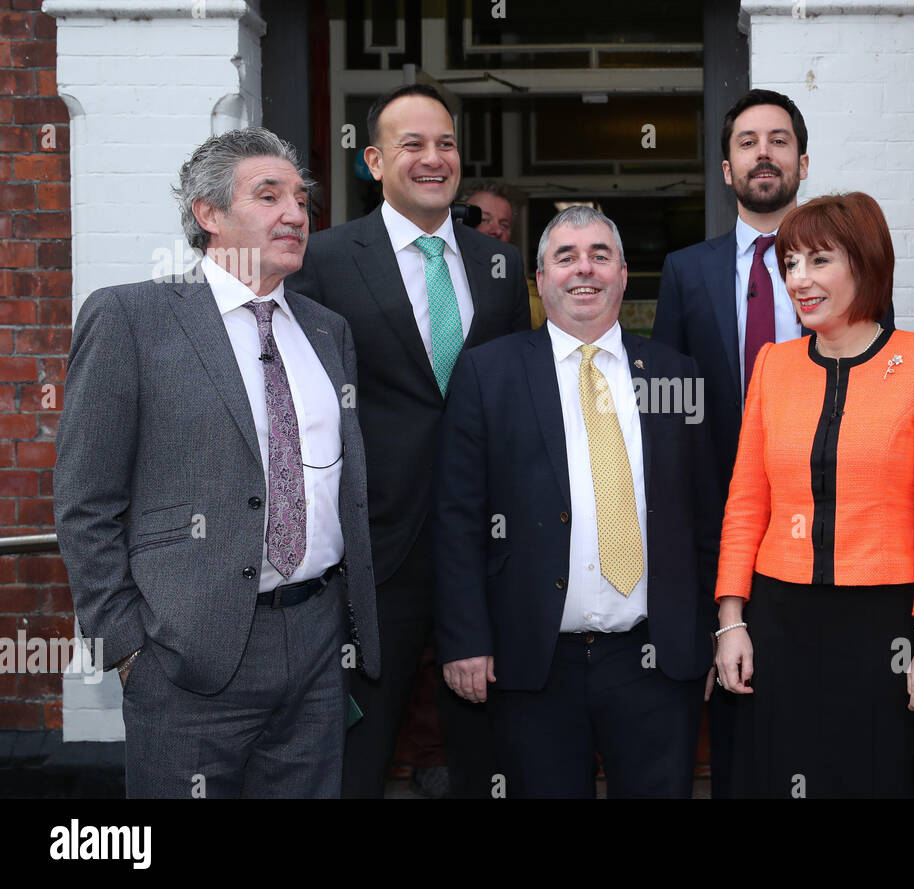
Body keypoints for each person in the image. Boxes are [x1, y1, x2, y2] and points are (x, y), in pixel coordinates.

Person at [54, 127, 379, 798]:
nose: (296, 214)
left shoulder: (327, 330)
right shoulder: (131, 319)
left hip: (317, 644)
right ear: (209, 215)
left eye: (302, 198)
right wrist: (129, 647)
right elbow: (87, 500)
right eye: (269, 196)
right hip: (187, 655)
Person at [288, 84, 530, 798]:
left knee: (484, 755)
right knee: (356, 757)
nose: (434, 158)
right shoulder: (325, 259)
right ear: (373, 160)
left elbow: (514, 401)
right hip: (373, 551)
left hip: (486, 547)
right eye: (413, 145)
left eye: (446, 143)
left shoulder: (499, 265)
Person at [653, 89, 896, 797]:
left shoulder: (854, 267)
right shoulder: (685, 271)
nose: (765, 152)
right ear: (726, 169)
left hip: (836, 530)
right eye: (748, 141)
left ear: (803, 160)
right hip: (722, 526)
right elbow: (668, 405)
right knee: (740, 705)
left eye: (780, 140)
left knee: (833, 718)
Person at [433, 206, 719, 798]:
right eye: (565, 257)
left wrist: (719, 628)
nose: (583, 269)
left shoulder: (674, 373)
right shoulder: (490, 373)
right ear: (541, 280)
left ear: (622, 274)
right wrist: (465, 639)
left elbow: (707, 515)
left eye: (599, 255)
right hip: (532, 661)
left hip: (656, 660)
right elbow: (457, 518)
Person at [713, 192, 914, 798]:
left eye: (819, 261)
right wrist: (730, 622)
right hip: (778, 621)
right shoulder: (773, 366)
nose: (800, 279)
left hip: (882, 624)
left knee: (872, 776)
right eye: (791, 263)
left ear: (866, 262)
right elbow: (746, 502)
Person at [464, 180, 546, 329]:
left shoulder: (516, 280)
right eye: (484, 219)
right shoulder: (436, 266)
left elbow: (539, 316)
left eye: (504, 224)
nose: (496, 230)